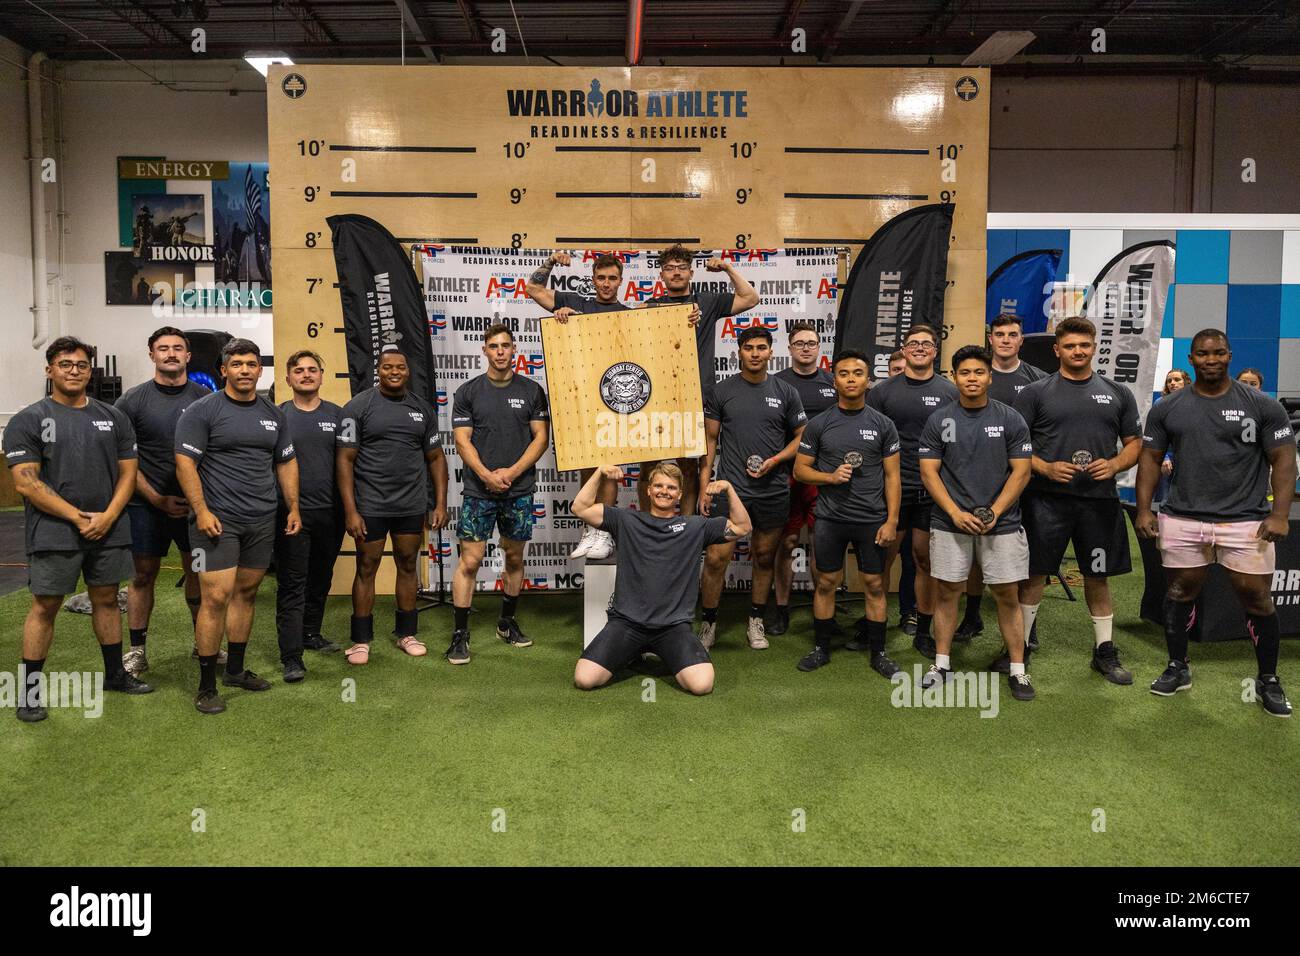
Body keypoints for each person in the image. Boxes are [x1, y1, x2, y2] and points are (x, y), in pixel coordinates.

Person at [1135, 329, 1295, 717]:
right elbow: (1150, 460)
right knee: (1179, 591)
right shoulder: (1168, 407)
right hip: (1183, 517)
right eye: (1203, 354)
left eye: (1219, 353)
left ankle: (1268, 680)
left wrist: (1279, 514)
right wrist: (1143, 510)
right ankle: (1178, 666)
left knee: (1255, 596)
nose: (1211, 359)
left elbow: (1284, 461)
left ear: (1229, 355)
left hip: (1246, 520)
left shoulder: (1262, 405)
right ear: (1191, 359)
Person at [5, 337, 152, 721]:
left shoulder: (113, 416)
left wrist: (107, 516)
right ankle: (30, 693)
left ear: (91, 371)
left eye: (82, 365)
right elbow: (26, 483)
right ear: (49, 369)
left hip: (109, 528)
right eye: (66, 364)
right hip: (55, 531)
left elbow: (128, 473)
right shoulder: (29, 419)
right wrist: (77, 516)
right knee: (46, 606)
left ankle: (116, 676)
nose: (74, 371)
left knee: (106, 600)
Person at [1010, 316, 1142, 684]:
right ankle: (1018, 648)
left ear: (1094, 347)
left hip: (1097, 501)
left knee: (1096, 578)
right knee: (1034, 575)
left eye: (1084, 345)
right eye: (1070, 346)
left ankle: (1104, 651)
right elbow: (1016, 447)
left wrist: (1115, 463)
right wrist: (1046, 468)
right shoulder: (1035, 392)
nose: (1078, 351)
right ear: (1057, 350)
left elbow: (1134, 445)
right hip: (1045, 500)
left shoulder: (1117, 392)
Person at [174, 338, 300, 714]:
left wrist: (292, 507)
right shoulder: (201, 411)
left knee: (246, 593)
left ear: (260, 370)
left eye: (251, 364)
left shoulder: (273, 414)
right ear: (223, 370)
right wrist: (201, 511)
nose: (245, 370)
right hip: (216, 520)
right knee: (215, 597)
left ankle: (236, 670)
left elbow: (286, 462)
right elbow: (184, 464)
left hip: (261, 518)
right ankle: (206, 685)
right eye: (237, 364)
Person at [918, 345, 1035, 701]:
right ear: (954, 377)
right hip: (950, 523)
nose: (972, 379)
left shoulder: (1010, 418)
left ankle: (1018, 669)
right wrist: (955, 512)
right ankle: (942, 663)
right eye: (965, 373)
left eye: (978, 372)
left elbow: (1022, 471)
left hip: (1001, 524)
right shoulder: (939, 419)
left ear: (990, 376)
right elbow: (929, 472)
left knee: (1007, 595)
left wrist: (995, 511)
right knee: (948, 592)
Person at [572, 462, 750, 695]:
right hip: (627, 624)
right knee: (584, 679)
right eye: (658, 485)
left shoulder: (695, 526)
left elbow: (743, 526)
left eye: (671, 487)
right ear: (648, 490)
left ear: (679, 494)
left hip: (672, 627)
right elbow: (580, 507)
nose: (664, 491)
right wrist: (599, 473)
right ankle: (632, 651)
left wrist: (729, 489)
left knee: (702, 685)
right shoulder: (626, 520)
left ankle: (662, 652)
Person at [792, 349, 901, 675]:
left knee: (874, 585)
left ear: (868, 380)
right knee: (826, 583)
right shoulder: (819, 424)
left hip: (871, 519)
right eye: (843, 374)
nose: (851, 379)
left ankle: (878, 653)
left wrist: (892, 520)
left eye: (857, 373)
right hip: (830, 518)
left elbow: (893, 476)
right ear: (835, 379)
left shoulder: (883, 425)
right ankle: (821, 648)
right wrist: (830, 477)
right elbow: (800, 471)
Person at [337, 350, 448, 665]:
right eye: (388, 367)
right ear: (379, 371)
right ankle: (360, 641)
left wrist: (439, 502)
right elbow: (344, 460)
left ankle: (407, 634)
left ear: (407, 371)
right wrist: (351, 510)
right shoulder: (358, 407)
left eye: (401, 367)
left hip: (410, 504)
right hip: (370, 504)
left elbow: (436, 458)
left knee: (408, 565)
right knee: (367, 567)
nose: (395, 372)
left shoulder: (421, 409)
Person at [698, 326, 806, 650]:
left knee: (763, 556)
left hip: (772, 490)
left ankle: (756, 620)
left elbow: (802, 436)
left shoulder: (786, 392)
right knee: (717, 559)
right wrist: (705, 486)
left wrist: (775, 461)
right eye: (749, 348)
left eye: (762, 347)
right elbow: (710, 440)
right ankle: (709, 622)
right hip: (730, 490)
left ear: (772, 352)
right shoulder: (722, 391)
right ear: (739, 352)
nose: (755, 353)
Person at [449, 325, 550, 665]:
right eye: (494, 346)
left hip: (518, 490)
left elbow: (540, 438)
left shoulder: (533, 391)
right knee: (471, 561)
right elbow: (462, 440)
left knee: (515, 559)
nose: (500, 351)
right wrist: (486, 475)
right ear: (485, 351)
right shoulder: (468, 392)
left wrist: (510, 473)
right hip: (479, 491)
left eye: (506, 345)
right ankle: (459, 635)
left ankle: (506, 623)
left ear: (514, 349)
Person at [116, 327, 211, 678]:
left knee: (198, 573)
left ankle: (204, 642)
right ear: (151, 354)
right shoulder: (131, 401)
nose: (170, 354)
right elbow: (122, 458)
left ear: (187, 356)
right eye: (163, 348)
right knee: (142, 576)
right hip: (145, 506)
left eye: (177, 348)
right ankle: (137, 652)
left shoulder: (205, 399)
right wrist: (155, 498)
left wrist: (199, 502)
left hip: (193, 507)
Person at [640, 244, 760, 514]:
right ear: (661, 275)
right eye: (670, 268)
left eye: (681, 268)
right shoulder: (649, 306)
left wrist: (728, 268)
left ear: (691, 272)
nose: (676, 273)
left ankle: (687, 526)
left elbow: (750, 298)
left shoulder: (707, 301)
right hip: (657, 396)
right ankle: (649, 524)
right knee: (648, 464)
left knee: (689, 465)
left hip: (696, 394)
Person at [954, 314, 1050, 641]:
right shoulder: (976, 375)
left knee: (1026, 558)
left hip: (1026, 481)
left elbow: (1044, 432)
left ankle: (1030, 625)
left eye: (1013, 334)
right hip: (978, 479)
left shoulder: (1039, 381)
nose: (1006, 340)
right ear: (990, 339)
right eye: (999, 334)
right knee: (974, 553)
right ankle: (972, 616)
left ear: (1021, 340)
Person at [526, 250, 626, 560]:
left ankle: (605, 532)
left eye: (612, 278)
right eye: (601, 278)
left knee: (608, 467)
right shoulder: (577, 303)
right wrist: (552, 263)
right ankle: (592, 529)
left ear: (621, 281)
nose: (606, 284)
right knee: (588, 464)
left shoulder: (629, 314)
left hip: (613, 398)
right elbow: (533, 289)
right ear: (593, 279)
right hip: (580, 396)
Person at [866, 324, 959, 657]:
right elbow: (870, 440)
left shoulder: (950, 393)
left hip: (931, 493)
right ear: (904, 351)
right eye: (913, 343)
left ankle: (923, 630)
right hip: (890, 490)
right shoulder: (882, 392)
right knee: (882, 559)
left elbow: (956, 444)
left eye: (927, 344)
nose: (920, 348)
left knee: (924, 560)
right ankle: (874, 627)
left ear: (936, 351)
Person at [274, 351, 346, 682]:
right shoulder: (277, 417)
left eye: (312, 370)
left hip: (331, 513)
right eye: (298, 370)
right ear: (288, 378)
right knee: (293, 583)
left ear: (321, 375)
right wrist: (289, 508)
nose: (306, 375)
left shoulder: (338, 415)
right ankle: (292, 656)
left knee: (321, 577)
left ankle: (311, 633)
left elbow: (349, 465)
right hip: (291, 515)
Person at [771, 321, 838, 636]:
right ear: (790, 348)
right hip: (786, 475)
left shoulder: (832, 382)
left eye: (811, 342)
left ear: (819, 346)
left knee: (821, 544)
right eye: (799, 343)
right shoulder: (777, 383)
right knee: (786, 543)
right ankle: (781, 609)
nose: (806, 347)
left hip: (822, 476)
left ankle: (821, 611)